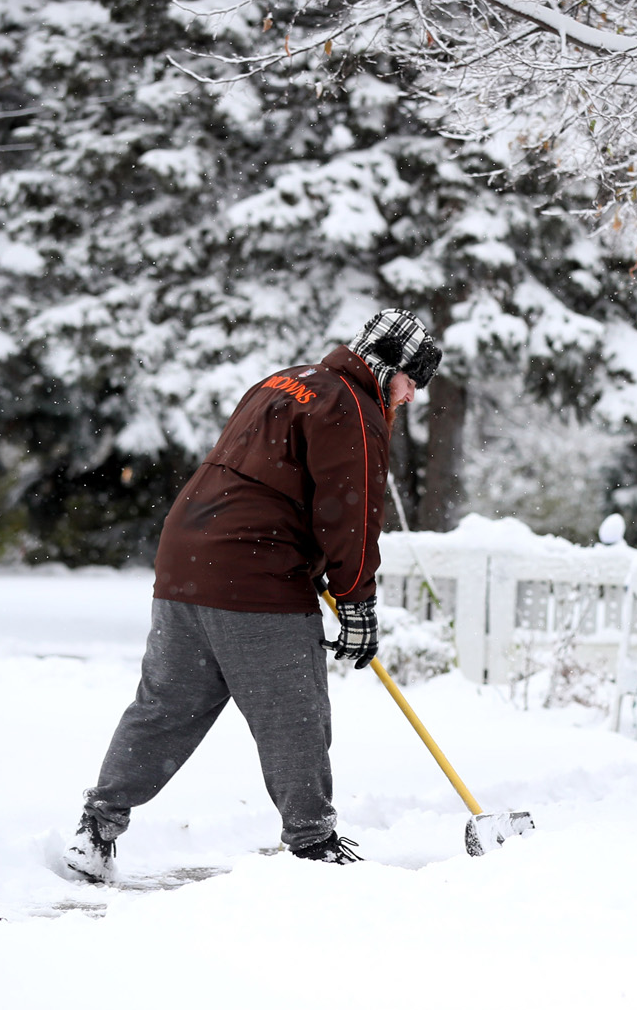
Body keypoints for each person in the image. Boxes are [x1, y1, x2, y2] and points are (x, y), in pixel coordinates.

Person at [63, 309, 442, 881]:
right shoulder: (353, 409)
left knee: (165, 708)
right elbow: (351, 514)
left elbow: (272, 481)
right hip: (253, 572)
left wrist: (313, 565)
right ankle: (314, 846)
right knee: (295, 711)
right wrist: (358, 604)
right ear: (386, 367)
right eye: (411, 380)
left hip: (186, 560)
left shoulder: (286, 381)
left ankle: (97, 828)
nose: (411, 396)